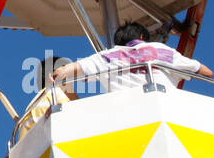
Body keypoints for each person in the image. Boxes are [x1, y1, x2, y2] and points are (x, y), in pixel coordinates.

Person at [52, 22, 212, 98]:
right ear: (142, 37)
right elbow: (205, 72)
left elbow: (62, 72)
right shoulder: (162, 49)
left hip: (127, 117)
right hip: (167, 108)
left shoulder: (106, 56)